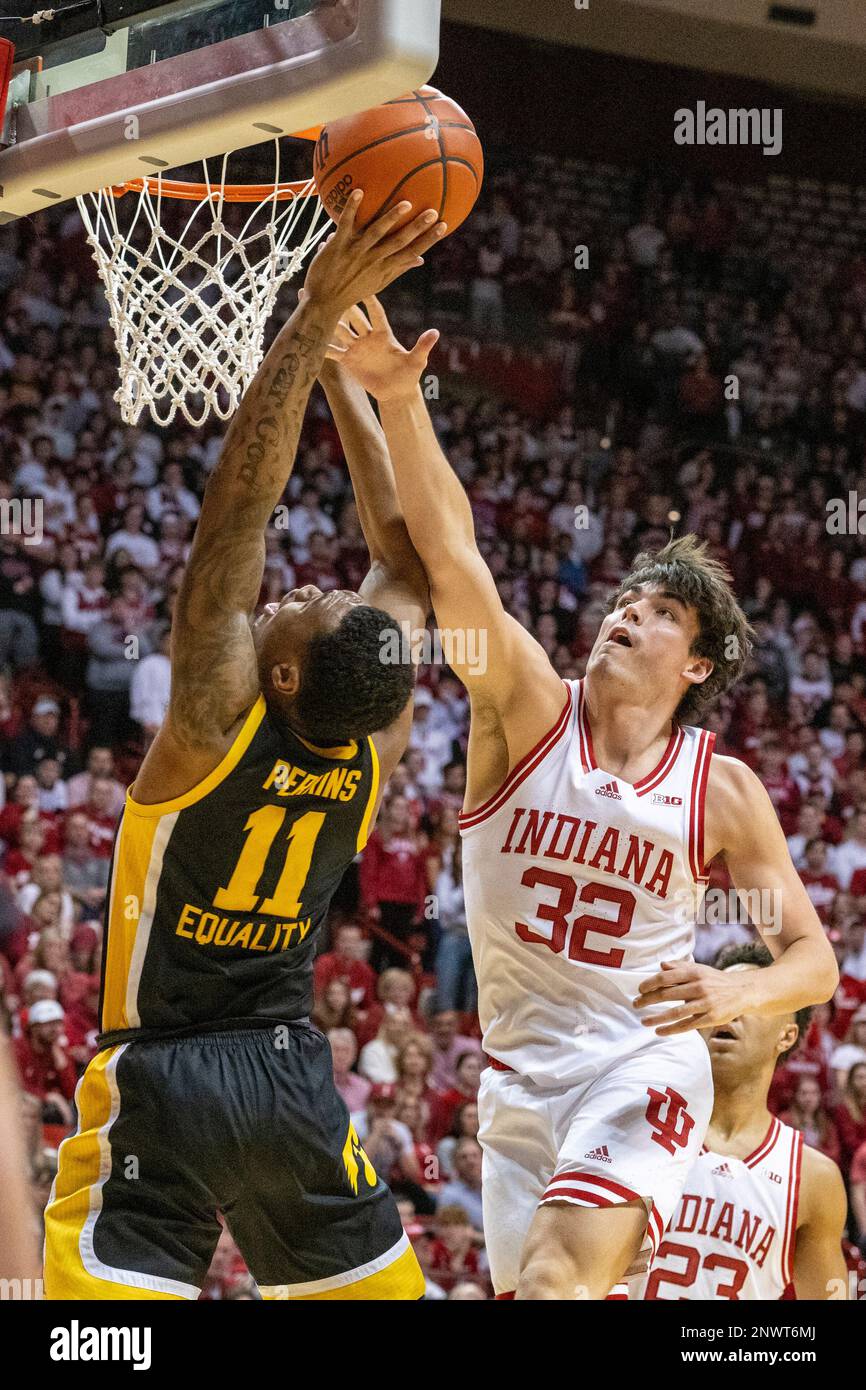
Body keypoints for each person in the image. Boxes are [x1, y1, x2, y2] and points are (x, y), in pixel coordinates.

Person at [329, 297, 839, 1299]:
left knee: (560, 1275)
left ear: (695, 662)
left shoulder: (719, 788)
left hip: (640, 1062)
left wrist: (739, 989)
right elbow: (449, 559)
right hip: (517, 1078)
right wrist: (398, 396)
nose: (622, 616)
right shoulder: (521, 706)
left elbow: (811, 958)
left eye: (654, 615)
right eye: (621, 602)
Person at [43, 193, 447, 1302]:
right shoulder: (374, 742)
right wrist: (348, 390)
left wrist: (309, 328)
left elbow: (236, 515)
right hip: (286, 1077)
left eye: (303, 604)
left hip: (159, 1076)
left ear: (276, 671)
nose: (305, 584)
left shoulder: (212, 726)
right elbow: (405, 569)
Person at [640, 944, 847, 1299]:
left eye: (748, 1000)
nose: (729, 1011)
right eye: (721, 996)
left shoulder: (813, 1179)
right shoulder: (637, 1124)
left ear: (787, 1035)